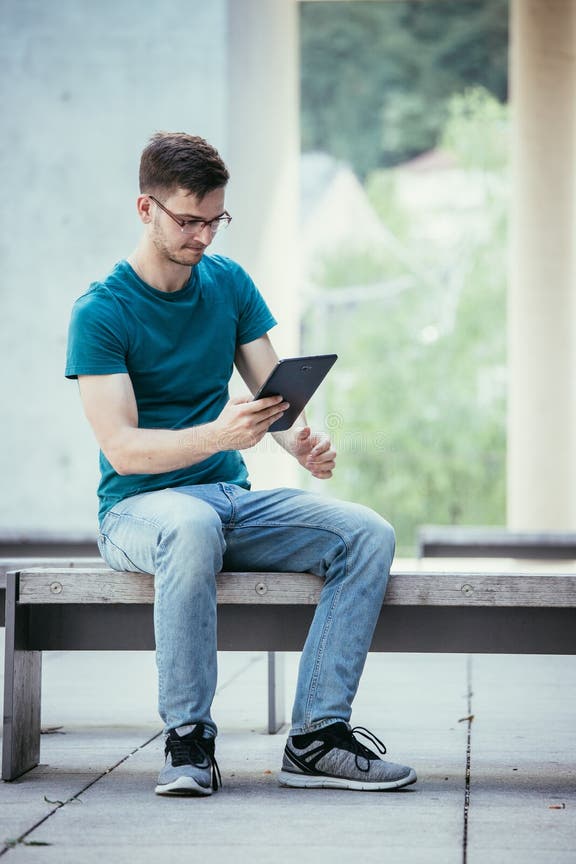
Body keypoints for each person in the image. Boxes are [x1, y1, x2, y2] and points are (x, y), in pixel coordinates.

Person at [65, 132, 416, 797]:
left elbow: (273, 398)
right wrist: (218, 436)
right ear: (146, 209)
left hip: (225, 501)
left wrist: (299, 441)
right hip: (139, 512)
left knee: (367, 532)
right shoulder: (101, 311)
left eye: (215, 220)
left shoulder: (226, 283)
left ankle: (316, 738)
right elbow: (123, 448)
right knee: (190, 528)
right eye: (188, 220)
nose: (203, 236)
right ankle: (189, 742)